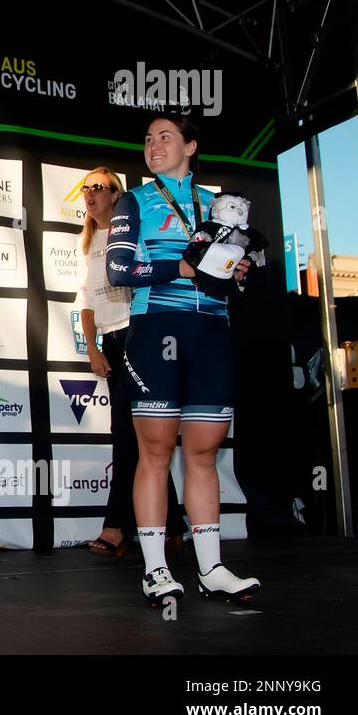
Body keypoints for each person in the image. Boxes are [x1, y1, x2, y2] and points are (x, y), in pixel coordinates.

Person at [106, 116, 259, 605]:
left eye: (165, 137)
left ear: (190, 146)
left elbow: (238, 269)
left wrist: (241, 269)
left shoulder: (220, 206)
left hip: (212, 329)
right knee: (154, 452)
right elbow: (118, 269)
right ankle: (155, 570)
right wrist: (182, 266)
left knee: (203, 454)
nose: (154, 145)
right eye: (148, 139)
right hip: (157, 330)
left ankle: (210, 567)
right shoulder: (135, 200)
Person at [76, 167, 186, 559]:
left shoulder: (131, 232)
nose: (90, 195)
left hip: (140, 334)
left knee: (131, 435)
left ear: (117, 195)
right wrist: (93, 349)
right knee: (141, 437)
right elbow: (87, 303)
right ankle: (172, 526)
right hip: (112, 339)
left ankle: (118, 526)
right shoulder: (89, 242)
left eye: (98, 188)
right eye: (85, 189)